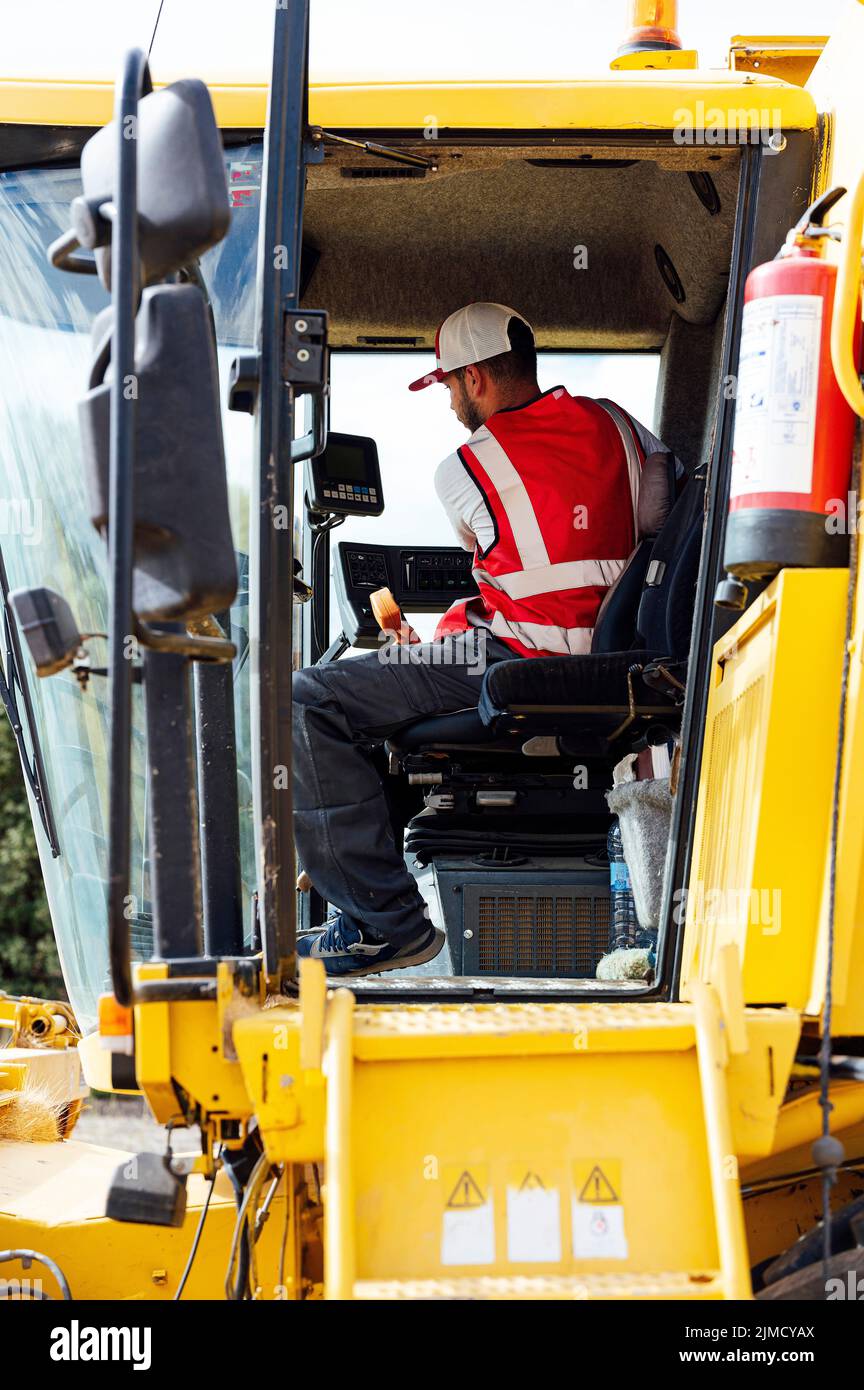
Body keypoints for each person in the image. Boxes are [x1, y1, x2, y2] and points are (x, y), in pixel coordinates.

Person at [295, 302, 670, 977]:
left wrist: (439, 639)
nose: (446, 401)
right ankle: (362, 880)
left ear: (475, 380)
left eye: (445, 384)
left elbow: (503, 585)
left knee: (305, 698)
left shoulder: (465, 467)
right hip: (620, 659)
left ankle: (385, 926)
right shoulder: (622, 425)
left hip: (519, 660)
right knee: (405, 672)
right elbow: (654, 522)